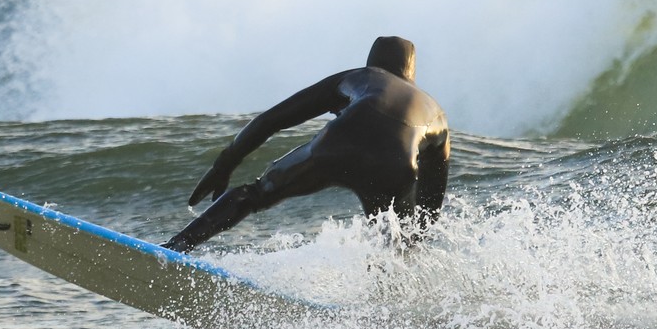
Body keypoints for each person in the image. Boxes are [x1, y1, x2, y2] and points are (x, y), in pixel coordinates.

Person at [167, 36, 450, 252]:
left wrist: (225, 163)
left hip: (337, 145)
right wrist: (416, 238)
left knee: (254, 194)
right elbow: (432, 197)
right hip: (395, 167)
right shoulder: (435, 111)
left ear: (372, 63)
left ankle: (176, 248)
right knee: (397, 243)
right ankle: (387, 310)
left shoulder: (361, 77)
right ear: (410, 72)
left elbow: (272, 119)